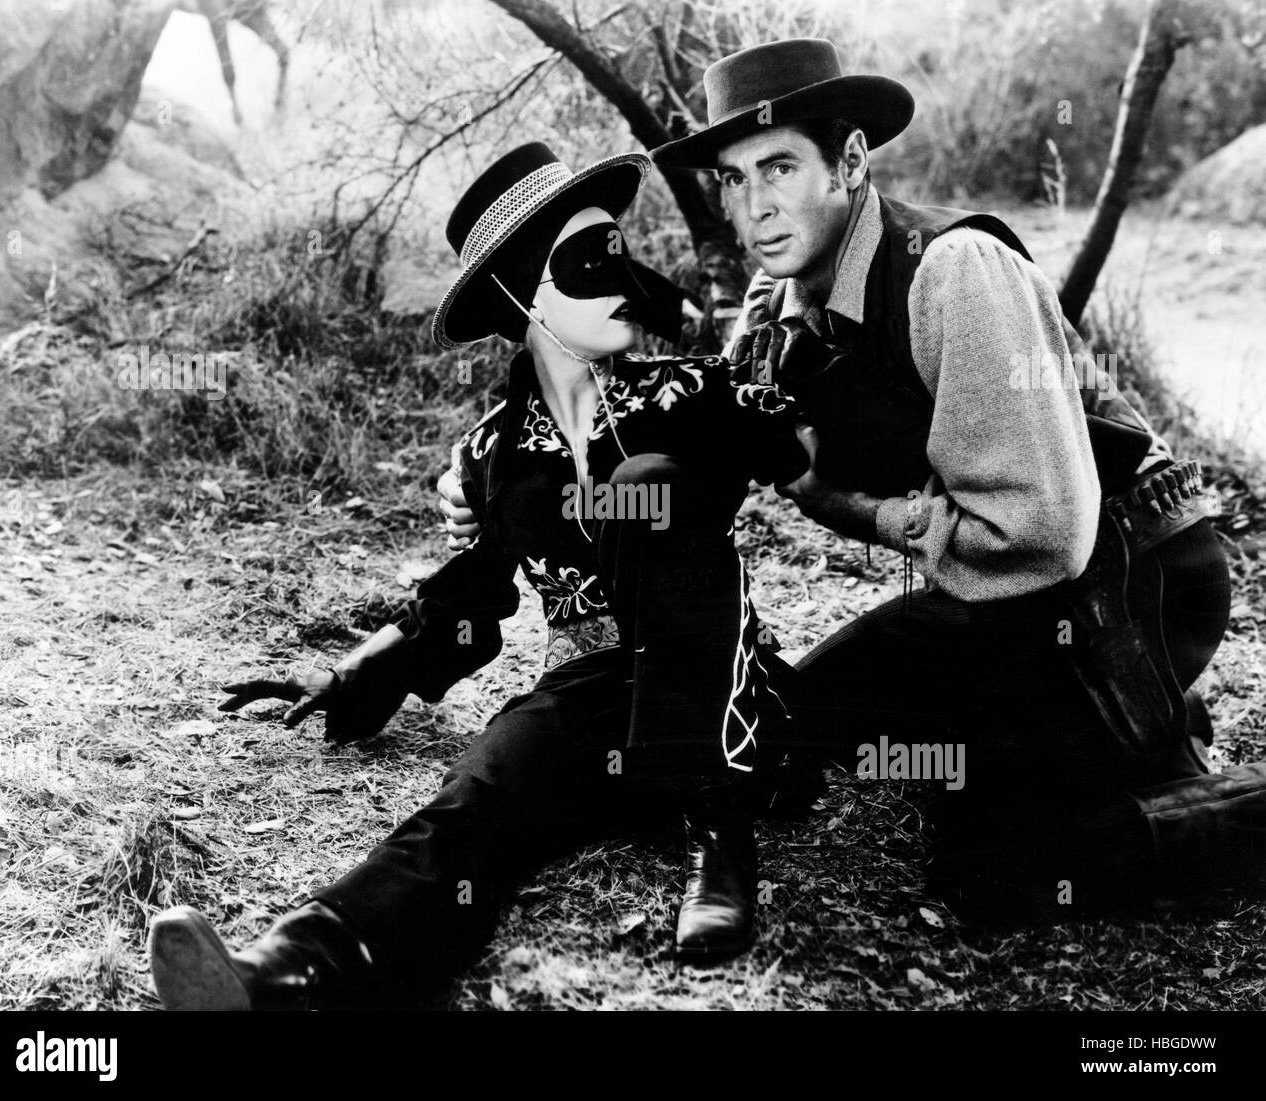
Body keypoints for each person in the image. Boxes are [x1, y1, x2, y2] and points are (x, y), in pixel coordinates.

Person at [442, 40, 1266, 921]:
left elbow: (1045, 536)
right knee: (794, 738)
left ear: (851, 161)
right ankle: (1099, 745)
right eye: (731, 179)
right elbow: (692, 435)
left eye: (779, 167)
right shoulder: (774, 309)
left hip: (1125, 586)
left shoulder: (955, 273)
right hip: (986, 592)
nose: (752, 208)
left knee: (993, 868)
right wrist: (500, 483)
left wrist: (857, 508)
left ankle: (1179, 771)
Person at [147, 143, 811, 1010]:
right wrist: (360, 669)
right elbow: (475, 597)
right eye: (587, 262)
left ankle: (719, 831)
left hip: (725, 699)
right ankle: (294, 969)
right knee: (474, 801)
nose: (621, 280)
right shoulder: (495, 452)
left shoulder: (689, 395)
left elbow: (798, 432)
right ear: (521, 297)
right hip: (589, 700)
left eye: (620, 252)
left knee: (645, 488)